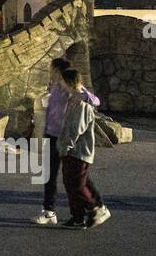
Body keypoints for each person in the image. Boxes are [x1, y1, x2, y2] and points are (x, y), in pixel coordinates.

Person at [33, 58, 107, 224]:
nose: (49, 71)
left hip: (67, 138)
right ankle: (50, 211)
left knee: (77, 178)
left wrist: (84, 93)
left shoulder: (71, 88)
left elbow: (95, 101)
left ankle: (97, 206)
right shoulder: (54, 87)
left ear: (58, 70)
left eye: (51, 69)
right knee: (52, 175)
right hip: (52, 135)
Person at [55, 68, 108, 228]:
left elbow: (75, 129)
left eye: (62, 81)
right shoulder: (72, 99)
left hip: (79, 152)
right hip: (70, 150)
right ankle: (78, 216)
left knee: (77, 184)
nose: (60, 84)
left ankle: (94, 209)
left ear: (68, 81)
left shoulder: (82, 103)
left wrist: (64, 147)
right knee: (69, 183)